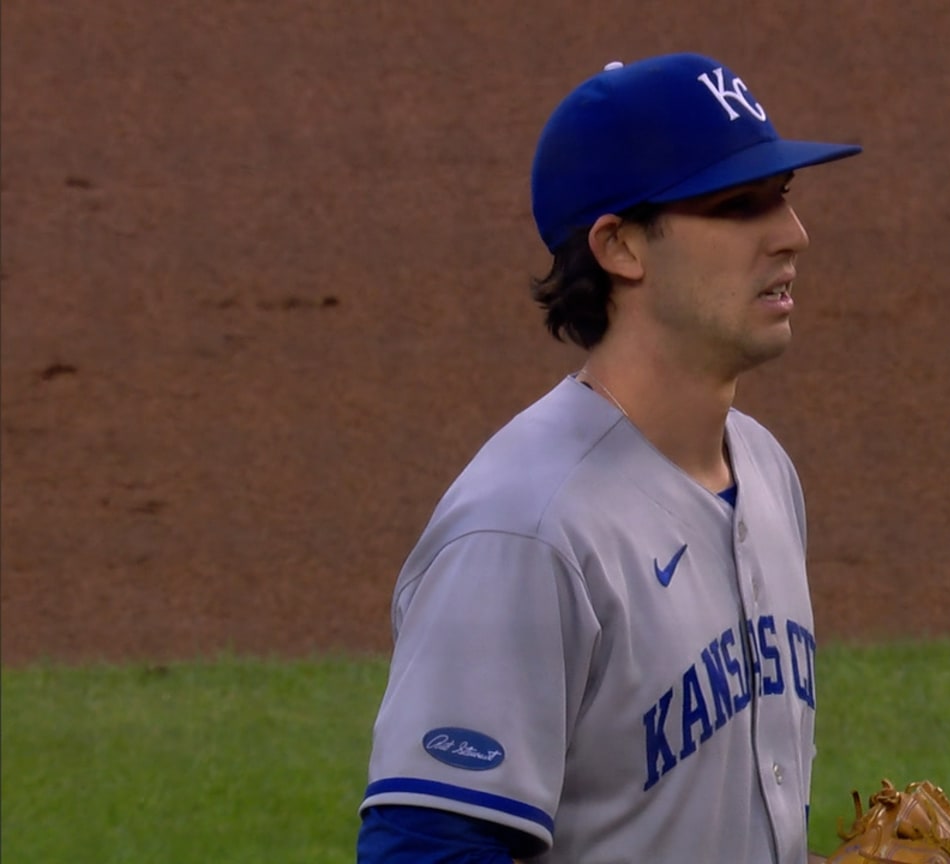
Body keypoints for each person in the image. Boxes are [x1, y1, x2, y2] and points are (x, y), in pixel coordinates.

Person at [355, 52, 861, 863]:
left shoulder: (766, 473)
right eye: (738, 205)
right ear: (621, 246)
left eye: (785, 197)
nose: (791, 234)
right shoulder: (526, 529)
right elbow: (426, 848)